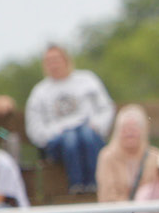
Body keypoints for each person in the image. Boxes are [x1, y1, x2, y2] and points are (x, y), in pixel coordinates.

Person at [25, 44, 114, 193]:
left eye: (56, 59)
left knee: (86, 135)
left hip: (88, 133)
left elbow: (106, 108)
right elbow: (34, 126)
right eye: (49, 61)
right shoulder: (40, 92)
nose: (54, 64)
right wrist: (52, 134)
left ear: (66, 60)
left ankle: (95, 184)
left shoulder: (87, 79)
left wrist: (97, 125)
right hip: (59, 140)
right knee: (70, 138)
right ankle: (76, 185)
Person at [88, 105, 159, 213]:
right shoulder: (107, 156)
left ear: (143, 131)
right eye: (125, 128)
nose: (129, 133)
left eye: (134, 128)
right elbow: (107, 195)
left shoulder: (154, 157)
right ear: (118, 131)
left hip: (148, 212)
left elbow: (157, 191)